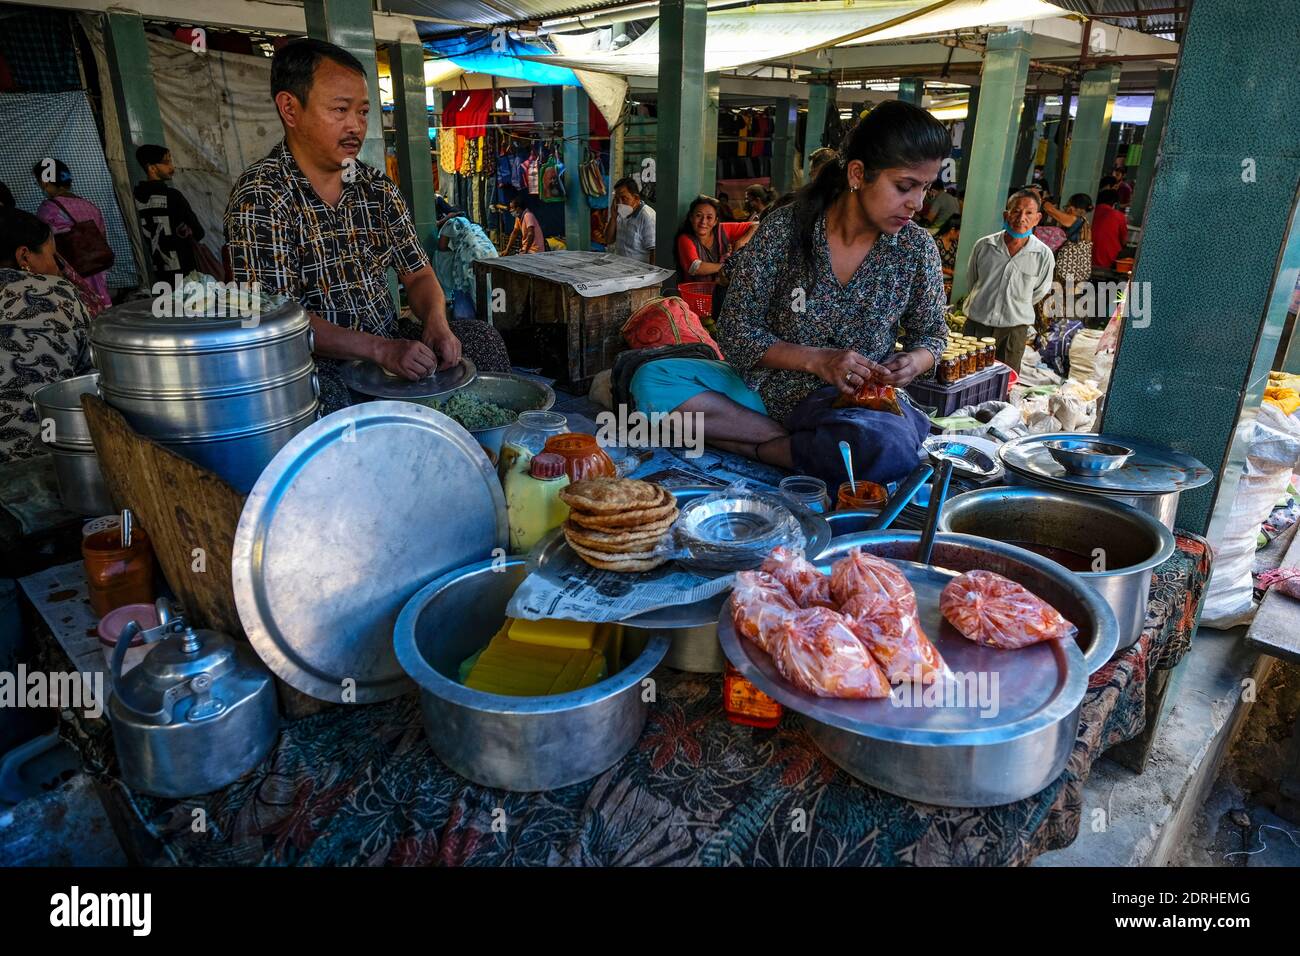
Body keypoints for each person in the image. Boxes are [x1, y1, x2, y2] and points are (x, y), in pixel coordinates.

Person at [629, 101, 950, 488]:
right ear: (858, 173)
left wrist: (915, 360)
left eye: (925, 188)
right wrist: (818, 360)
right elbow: (736, 329)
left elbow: (932, 334)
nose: (917, 203)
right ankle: (801, 448)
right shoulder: (786, 229)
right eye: (904, 187)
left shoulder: (915, 251)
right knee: (652, 379)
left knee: (881, 443)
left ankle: (764, 448)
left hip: (852, 408)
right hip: (763, 395)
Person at [224, 38, 480, 415]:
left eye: (361, 112)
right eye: (340, 110)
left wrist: (437, 323)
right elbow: (276, 319)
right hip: (313, 366)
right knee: (335, 408)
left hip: (390, 348)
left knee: (481, 344)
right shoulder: (260, 198)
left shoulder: (377, 189)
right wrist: (380, 351)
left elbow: (419, 275)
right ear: (290, 109)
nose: (355, 127)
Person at [0, 209, 92, 463]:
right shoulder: (55, 291)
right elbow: (90, 377)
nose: (59, 268)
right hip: (41, 457)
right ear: (24, 256)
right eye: (53, 256)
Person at [960, 189, 1055, 374]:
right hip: (977, 324)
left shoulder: (1043, 255)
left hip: (1014, 330)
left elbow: (1038, 292)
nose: (1021, 218)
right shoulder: (984, 246)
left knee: (1005, 380)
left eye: (1029, 213)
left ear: (1037, 218)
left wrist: (1012, 305)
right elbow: (973, 281)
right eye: (1016, 211)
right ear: (1006, 214)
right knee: (967, 376)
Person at [31, 159, 112, 309]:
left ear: (44, 181)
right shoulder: (90, 206)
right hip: (98, 272)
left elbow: (47, 248)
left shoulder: (48, 209)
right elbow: (102, 238)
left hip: (72, 276)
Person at [133, 144, 208, 280]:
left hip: (155, 272)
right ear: (152, 168)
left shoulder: (135, 197)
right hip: (183, 271)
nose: (172, 167)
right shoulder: (172, 196)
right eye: (166, 162)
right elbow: (199, 232)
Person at [674, 195, 757, 284]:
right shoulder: (685, 239)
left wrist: (741, 242)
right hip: (696, 292)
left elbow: (756, 225)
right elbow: (695, 267)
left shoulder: (723, 230)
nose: (703, 222)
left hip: (720, 290)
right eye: (698, 216)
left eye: (709, 217)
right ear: (691, 218)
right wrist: (727, 267)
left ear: (715, 221)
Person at [435, 209, 498, 321]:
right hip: (490, 254)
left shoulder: (454, 221)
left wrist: (443, 220)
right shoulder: (475, 228)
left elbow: (442, 247)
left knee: (475, 293)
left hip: (471, 257)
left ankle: (479, 323)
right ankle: (491, 322)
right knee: (489, 291)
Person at [603, 177, 656, 262]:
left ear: (636, 198)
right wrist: (613, 217)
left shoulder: (647, 216)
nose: (620, 203)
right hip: (621, 268)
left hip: (639, 271)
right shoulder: (619, 213)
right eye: (617, 199)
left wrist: (652, 274)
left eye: (624, 198)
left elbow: (654, 250)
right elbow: (608, 240)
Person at [1091, 187, 1129, 271]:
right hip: (1109, 261)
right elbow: (1124, 241)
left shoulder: (1091, 213)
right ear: (1115, 203)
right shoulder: (1118, 215)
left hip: (1087, 258)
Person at [935, 215, 960, 298]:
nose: (959, 236)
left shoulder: (955, 245)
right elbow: (933, 265)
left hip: (950, 283)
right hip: (937, 279)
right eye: (958, 232)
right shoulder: (936, 243)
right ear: (952, 230)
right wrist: (949, 272)